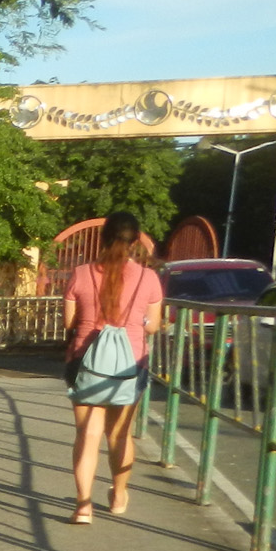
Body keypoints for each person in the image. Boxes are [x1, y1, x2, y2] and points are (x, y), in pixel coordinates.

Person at [62, 209, 161, 523]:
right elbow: (153, 326)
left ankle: (83, 506)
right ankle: (118, 495)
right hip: (130, 363)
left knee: (87, 435)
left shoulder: (80, 273)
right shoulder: (149, 277)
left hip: (84, 360)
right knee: (120, 435)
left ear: (103, 238)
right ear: (136, 242)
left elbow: (69, 322)